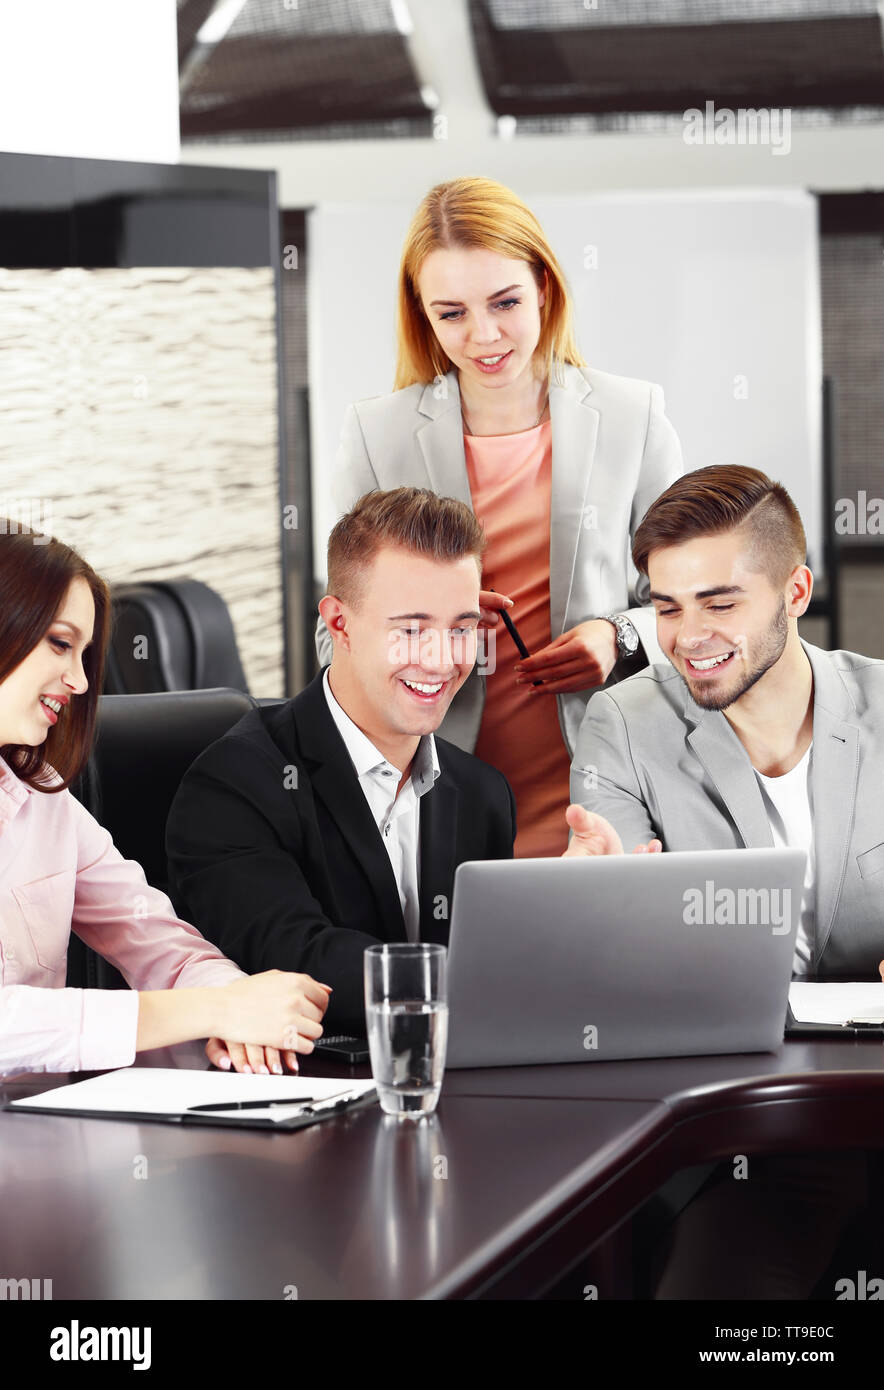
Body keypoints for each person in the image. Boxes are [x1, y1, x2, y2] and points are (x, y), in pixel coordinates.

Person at [568, 464, 884, 1298]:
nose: (688, 635)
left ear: (796, 592)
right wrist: (597, 916)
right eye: (667, 606)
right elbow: (632, 968)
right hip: (754, 1135)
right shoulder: (624, 726)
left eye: (720, 602)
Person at [315, 175, 683, 856]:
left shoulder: (634, 416)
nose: (483, 336)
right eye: (451, 313)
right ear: (422, 315)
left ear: (544, 286)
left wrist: (619, 639)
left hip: (606, 775)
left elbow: (691, 605)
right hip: (433, 787)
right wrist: (420, 622)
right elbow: (331, 639)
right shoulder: (377, 435)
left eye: (505, 301)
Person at [167, 488, 619, 1037]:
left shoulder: (481, 794)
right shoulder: (234, 784)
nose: (442, 659)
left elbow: (479, 978)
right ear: (339, 625)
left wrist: (565, 911)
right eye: (411, 629)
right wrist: (519, 961)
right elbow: (300, 960)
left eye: (461, 628)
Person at [0, 522, 330, 1080]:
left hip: (42, 1138)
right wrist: (213, 1009)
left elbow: (158, 940)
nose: (80, 682)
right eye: (60, 643)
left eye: (84, 654)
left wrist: (237, 1011)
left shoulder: (43, 798)